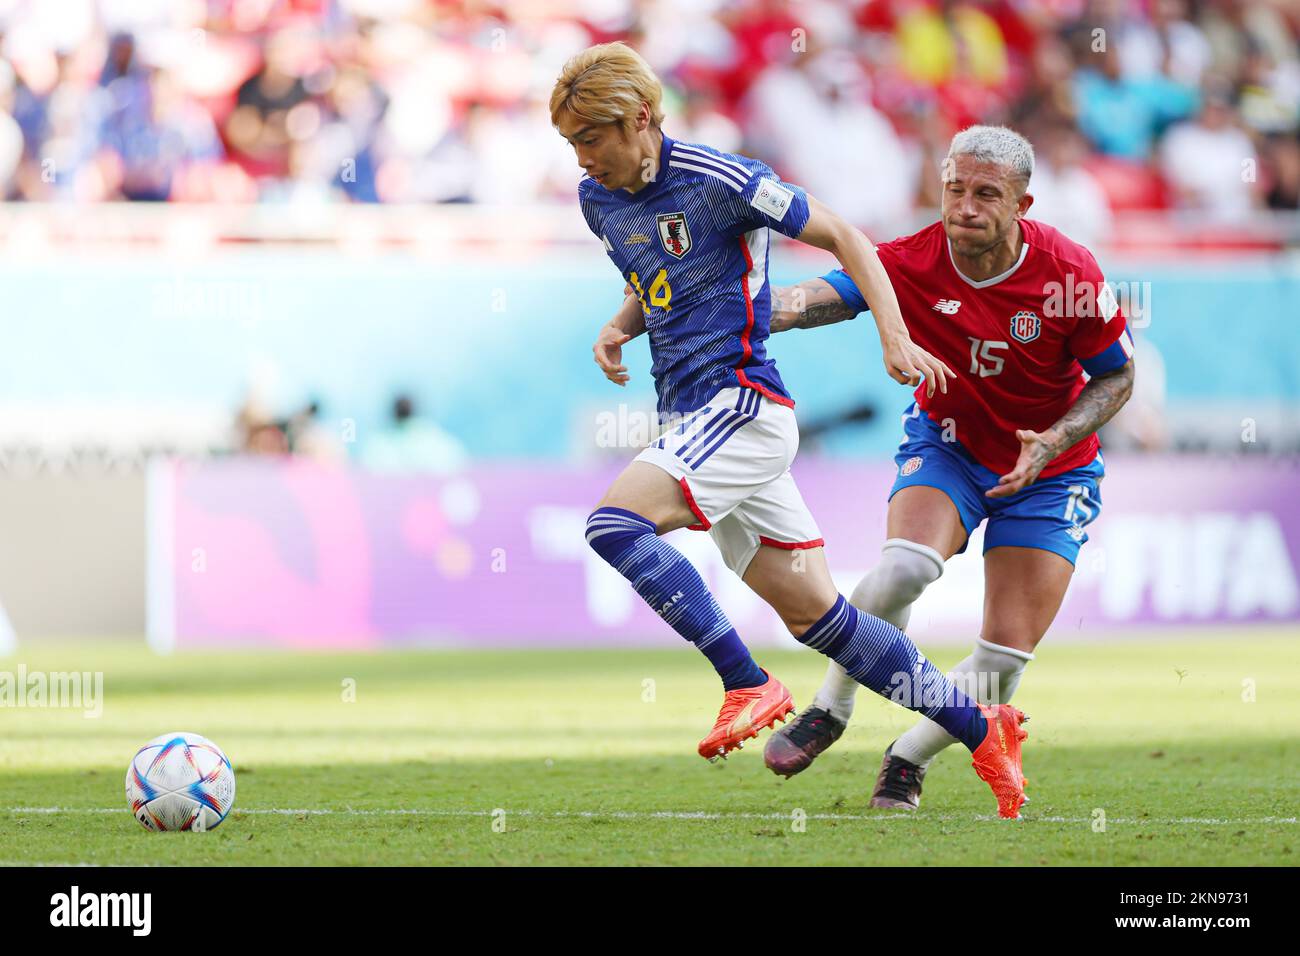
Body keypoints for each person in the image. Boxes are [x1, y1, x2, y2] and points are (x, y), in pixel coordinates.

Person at [564, 43, 1028, 817]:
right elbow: (656, 277)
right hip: (690, 416)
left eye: (590, 138)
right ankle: (980, 728)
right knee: (823, 620)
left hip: (741, 407)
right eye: (571, 143)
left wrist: (893, 337)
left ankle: (746, 681)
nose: (582, 158)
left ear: (640, 119)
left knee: (614, 525)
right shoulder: (599, 198)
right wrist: (619, 324)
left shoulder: (723, 179)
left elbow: (847, 237)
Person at [750, 126, 1134, 810]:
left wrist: (1053, 438)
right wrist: (743, 310)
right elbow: (815, 300)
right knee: (903, 568)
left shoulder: (1069, 273)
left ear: (1023, 203)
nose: (964, 208)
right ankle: (830, 710)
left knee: (1004, 663)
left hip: (1051, 467)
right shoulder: (911, 260)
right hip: (950, 444)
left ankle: (907, 757)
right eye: (955, 190)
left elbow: (1117, 376)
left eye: (987, 194)